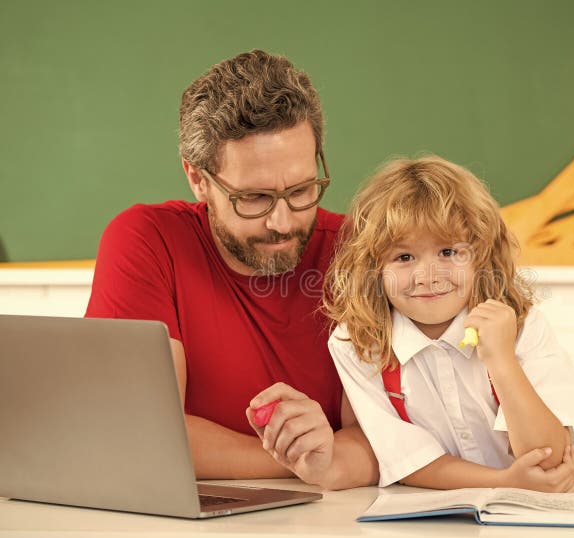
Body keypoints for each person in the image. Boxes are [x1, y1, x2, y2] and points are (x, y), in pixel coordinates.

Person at [85, 49, 376, 483]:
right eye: (254, 198)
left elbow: (402, 439)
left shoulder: (362, 251)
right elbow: (143, 430)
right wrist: (308, 460)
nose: (282, 223)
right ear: (198, 179)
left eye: (301, 190)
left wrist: (338, 455)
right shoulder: (147, 241)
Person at [316, 155, 574, 489]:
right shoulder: (358, 345)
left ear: (481, 256)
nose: (427, 276)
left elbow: (548, 458)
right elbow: (408, 461)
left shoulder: (522, 327)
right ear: (373, 269)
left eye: (448, 252)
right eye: (404, 257)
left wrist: (502, 362)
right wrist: (504, 482)